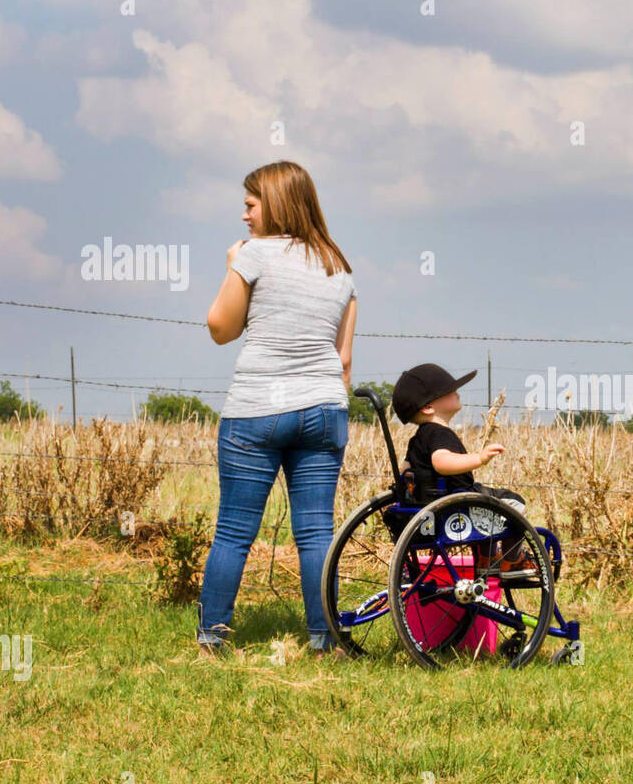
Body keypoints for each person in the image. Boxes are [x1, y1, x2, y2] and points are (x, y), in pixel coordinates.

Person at [197, 160, 357, 657]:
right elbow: (343, 359)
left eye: (250, 205)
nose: (244, 216)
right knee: (315, 532)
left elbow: (220, 329)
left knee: (234, 530)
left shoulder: (254, 255)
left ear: (276, 202)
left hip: (258, 409)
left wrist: (232, 267)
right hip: (324, 408)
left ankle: (213, 639)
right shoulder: (339, 268)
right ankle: (324, 639)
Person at [391, 364, 526, 515]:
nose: (456, 392)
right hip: (459, 501)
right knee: (515, 503)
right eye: (449, 390)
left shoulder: (418, 437)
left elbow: (406, 470)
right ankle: (506, 539)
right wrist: (479, 458)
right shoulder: (440, 433)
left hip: (431, 503)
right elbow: (441, 462)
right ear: (428, 407)